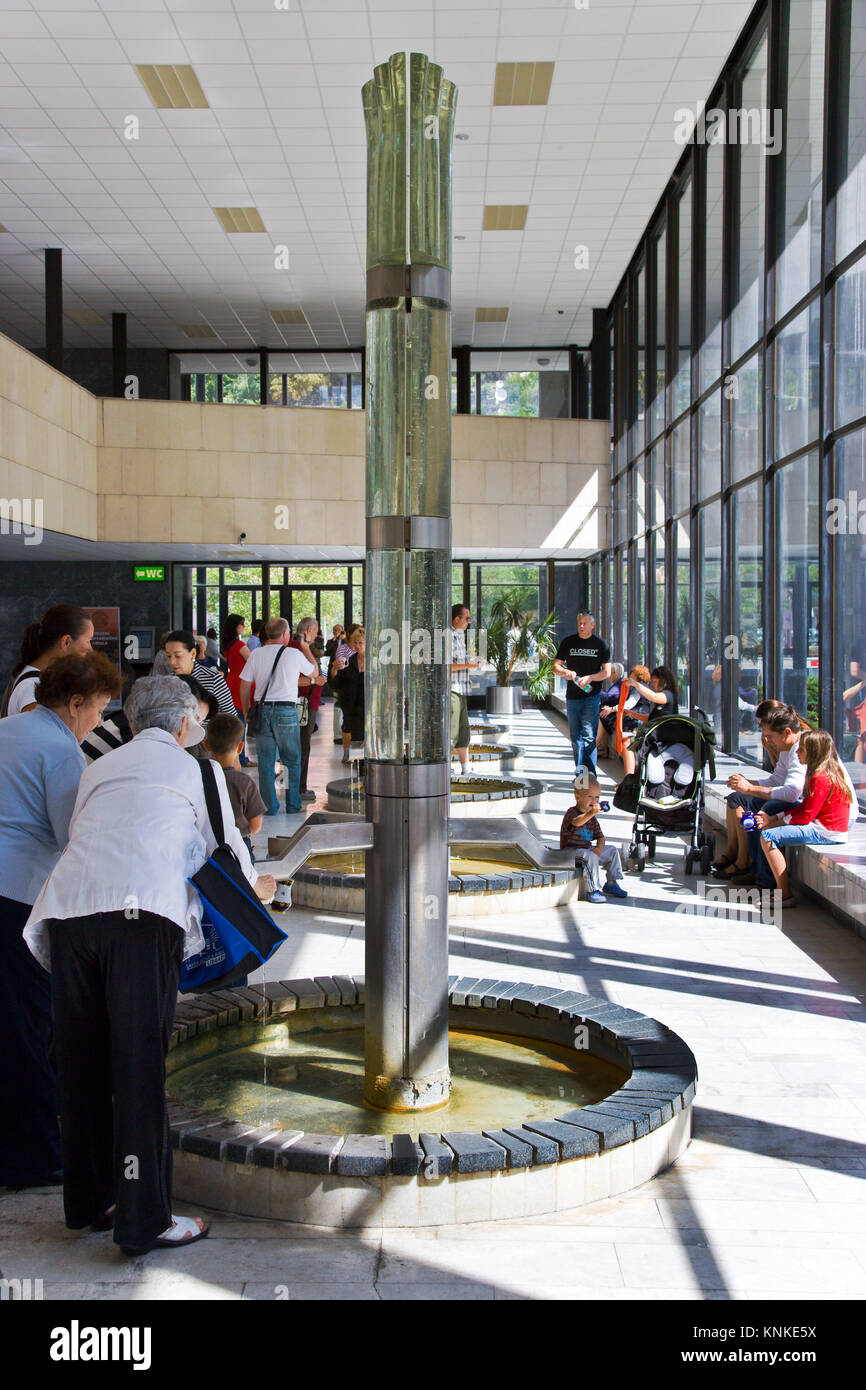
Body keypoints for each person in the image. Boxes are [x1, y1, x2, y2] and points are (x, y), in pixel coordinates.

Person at [23, 675, 276, 1256]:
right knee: (138, 1069)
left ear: (133, 723)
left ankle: (89, 1203)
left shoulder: (98, 768)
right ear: (186, 723)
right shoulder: (202, 769)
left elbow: (79, 836)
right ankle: (144, 1220)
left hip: (69, 913)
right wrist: (259, 892)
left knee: (81, 1061)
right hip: (140, 917)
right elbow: (227, 846)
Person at [0, 651, 123, 1191]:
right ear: (74, 703)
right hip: (18, 896)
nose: (97, 722)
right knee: (29, 1026)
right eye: (96, 709)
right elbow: (72, 836)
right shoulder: (61, 751)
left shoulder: (8, 728)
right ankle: (35, 1157)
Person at [757, 729, 856, 909]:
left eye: (801, 749)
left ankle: (784, 893)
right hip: (828, 828)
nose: (797, 752)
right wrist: (775, 818)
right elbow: (804, 806)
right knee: (769, 832)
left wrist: (774, 823)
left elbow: (806, 815)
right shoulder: (825, 772)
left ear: (813, 752)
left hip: (827, 831)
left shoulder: (820, 777)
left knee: (768, 836)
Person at [711, 703, 808, 880]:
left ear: (787, 732)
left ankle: (762, 876)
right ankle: (756, 869)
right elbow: (777, 780)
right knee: (752, 801)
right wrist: (747, 785)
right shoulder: (789, 748)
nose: (766, 740)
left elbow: (793, 792)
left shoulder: (799, 750)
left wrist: (749, 788)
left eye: (770, 736)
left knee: (765, 807)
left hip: (815, 810)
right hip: (806, 803)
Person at [240, 617, 324, 816]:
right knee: (291, 759)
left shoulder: (256, 654)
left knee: (266, 760)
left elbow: (244, 684)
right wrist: (305, 648)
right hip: (286, 712)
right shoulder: (294, 653)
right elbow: (315, 671)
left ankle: (269, 807)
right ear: (285, 634)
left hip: (263, 711)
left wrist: (246, 710)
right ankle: (293, 804)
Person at [2, 604, 95, 717]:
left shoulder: (40, 680)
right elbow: (42, 732)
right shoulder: (31, 687)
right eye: (88, 640)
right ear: (66, 641)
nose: (91, 649)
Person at [553, 611, 612, 775]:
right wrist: (566, 672)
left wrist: (591, 678)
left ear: (592, 625)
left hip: (591, 697)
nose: (581, 626)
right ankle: (581, 775)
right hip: (572, 697)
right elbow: (555, 667)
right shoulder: (568, 642)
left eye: (585, 623)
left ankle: (589, 775)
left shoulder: (601, 644)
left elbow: (607, 672)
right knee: (576, 738)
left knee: (588, 737)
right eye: (579, 622)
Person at [204, 713, 266, 862]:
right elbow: (256, 825)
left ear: (206, 744)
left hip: (207, 847)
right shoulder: (244, 782)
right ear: (240, 747)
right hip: (240, 848)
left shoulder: (200, 777)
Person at [559, 776, 628, 903]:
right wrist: (590, 814)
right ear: (577, 796)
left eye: (597, 797)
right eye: (590, 796)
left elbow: (600, 836)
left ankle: (612, 883)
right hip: (570, 853)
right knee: (589, 856)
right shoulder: (572, 813)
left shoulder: (593, 818)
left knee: (612, 851)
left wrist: (600, 849)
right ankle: (592, 890)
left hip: (587, 850)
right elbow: (577, 822)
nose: (594, 800)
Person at [618, 666, 680, 777]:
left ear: (663, 681)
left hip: (661, 736)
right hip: (658, 734)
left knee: (627, 744)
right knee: (627, 742)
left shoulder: (668, 695)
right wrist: (632, 714)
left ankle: (628, 778)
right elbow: (651, 717)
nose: (654, 685)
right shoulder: (667, 696)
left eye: (655, 681)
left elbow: (654, 697)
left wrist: (636, 684)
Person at [164, 628, 235, 717]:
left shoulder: (212, 679)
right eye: (169, 656)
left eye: (178, 656)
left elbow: (231, 717)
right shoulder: (168, 681)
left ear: (193, 653)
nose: (172, 662)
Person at [291, 617, 323, 802]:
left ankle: (296, 786)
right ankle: (298, 788)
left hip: (306, 701)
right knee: (302, 745)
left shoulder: (301, 648)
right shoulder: (298, 650)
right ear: (309, 630)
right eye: (316, 630)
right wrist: (314, 681)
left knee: (301, 745)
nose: (317, 634)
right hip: (303, 702)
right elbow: (311, 673)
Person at [450, 604, 481, 777]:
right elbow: (446, 666)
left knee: (463, 730)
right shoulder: (448, 637)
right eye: (467, 618)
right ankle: (446, 766)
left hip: (460, 689)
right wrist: (468, 664)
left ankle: (466, 767)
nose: (469, 622)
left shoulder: (459, 636)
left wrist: (471, 663)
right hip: (452, 689)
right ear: (457, 619)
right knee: (453, 730)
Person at [221, 613, 254, 767]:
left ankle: (237, 757)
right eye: (242, 624)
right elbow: (253, 663)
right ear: (236, 627)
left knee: (237, 721)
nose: (244, 627)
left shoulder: (228, 645)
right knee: (241, 722)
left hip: (231, 682)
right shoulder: (240, 646)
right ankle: (241, 759)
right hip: (242, 683)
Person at [597, 663, 651, 758]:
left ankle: (597, 745)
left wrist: (612, 709)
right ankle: (600, 746)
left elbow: (630, 703)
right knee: (604, 716)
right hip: (637, 716)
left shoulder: (638, 688)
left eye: (632, 674)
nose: (630, 676)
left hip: (636, 719)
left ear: (637, 676)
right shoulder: (642, 687)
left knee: (604, 716)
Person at [333, 626, 365, 764]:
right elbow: (336, 683)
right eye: (355, 643)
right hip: (351, 708)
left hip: (368, 708)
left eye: (360, 643)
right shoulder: (349, 661)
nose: (357, 646)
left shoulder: (375, 662)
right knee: (355, 739)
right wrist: (334, 669)